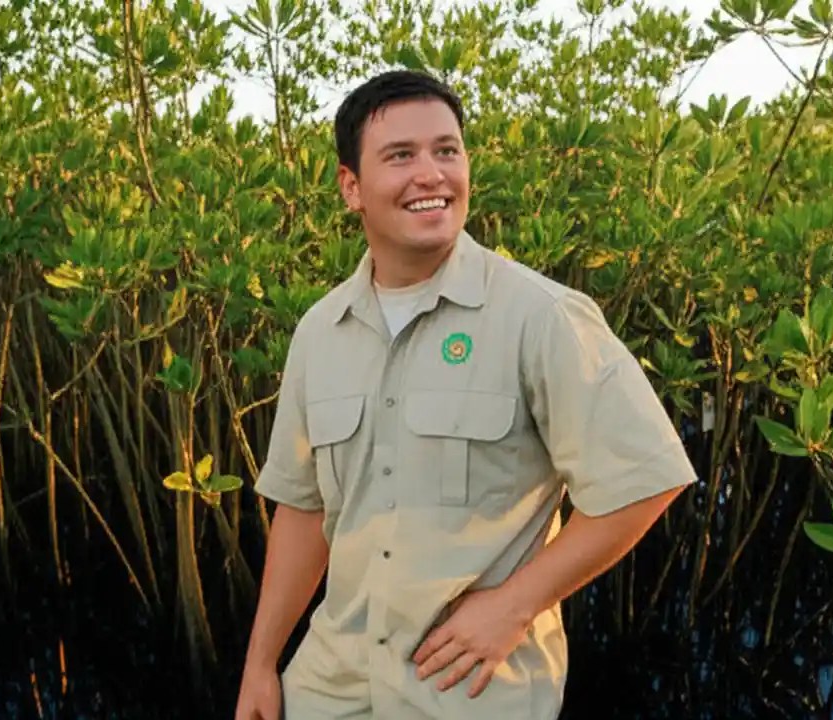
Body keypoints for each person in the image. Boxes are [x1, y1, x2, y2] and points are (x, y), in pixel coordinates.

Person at [234, 69, 697, 720]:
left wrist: (513, 605)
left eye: (446, 151)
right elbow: (302, 512)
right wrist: (261, 664)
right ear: (351, 188)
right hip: (330, 691)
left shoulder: (541, 316)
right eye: (401, 156)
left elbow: (644, 481)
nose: (431, 174)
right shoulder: (320, 332)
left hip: (473, 694)